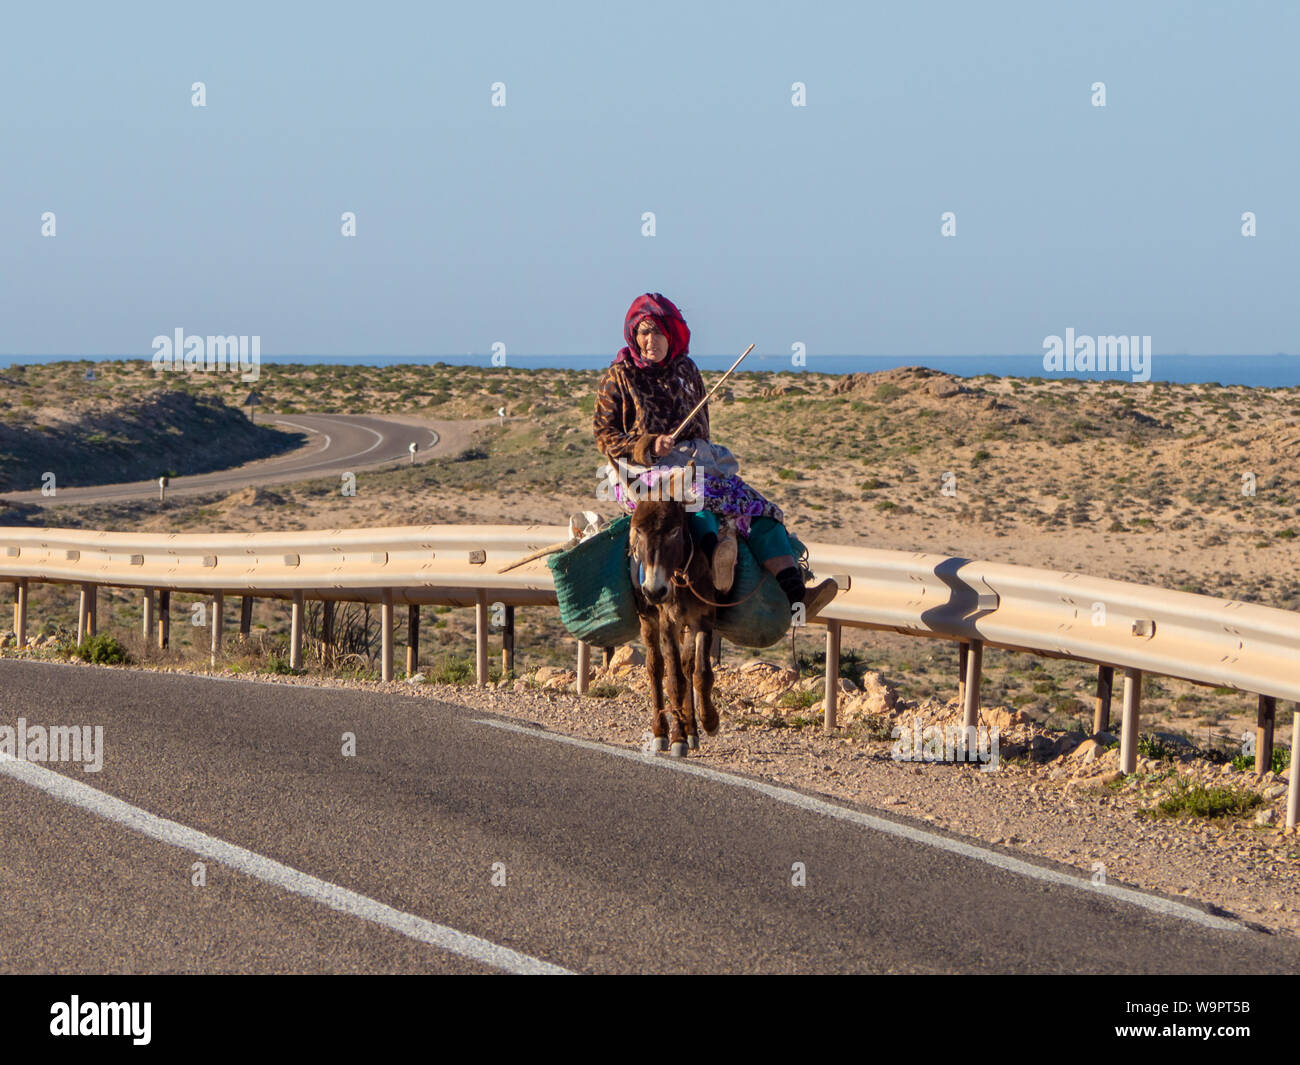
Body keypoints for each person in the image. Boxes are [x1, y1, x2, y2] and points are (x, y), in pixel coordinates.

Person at [592, 292, 837, 617]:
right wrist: (649, 446)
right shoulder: (619, 376)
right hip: (638, 472)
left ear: (671, 334)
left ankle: (797, 596)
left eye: (658, 332)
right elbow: (605, 437)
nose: (650, 340)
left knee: (759, 508)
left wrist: (691, 454)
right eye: (643, 332)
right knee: (697, 498)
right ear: (634, 336)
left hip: (692, 464)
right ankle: (714, 558)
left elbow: (701, 430)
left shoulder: (687, 371)